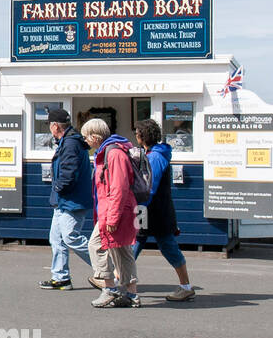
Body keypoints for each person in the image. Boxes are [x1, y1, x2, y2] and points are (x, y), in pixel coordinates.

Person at [131, 118, 196, 302]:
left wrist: (138, 204)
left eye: (137, 132)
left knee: (167, 246)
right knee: (135, 242)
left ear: (143, 136)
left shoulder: (155, 157)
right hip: (148, 208)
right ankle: (120, 280)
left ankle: (185, 286)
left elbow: (149, 186)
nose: (136, 135)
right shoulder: (152, 153)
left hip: (155, 210)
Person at [81, 117, 140, 308]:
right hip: (115, 210)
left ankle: (109, 289)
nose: (86, 141)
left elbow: (119, 188)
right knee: (121, 250)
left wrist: (112, 217)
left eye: (86, 137)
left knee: (95, 245)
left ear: (95, 137)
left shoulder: (113, 154)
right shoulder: (111, 151)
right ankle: (132, 296)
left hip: (115, 212)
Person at [38, 108, 93, 290]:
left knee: (71, 238)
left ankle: (108, 269)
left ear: (55, 126)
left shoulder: (69, 144)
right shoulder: (69, 141)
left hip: (70, 200)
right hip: (63, 200)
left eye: (50, 125)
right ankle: (61, 277)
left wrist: (57, 187)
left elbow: (69, 173)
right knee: (56, 239)